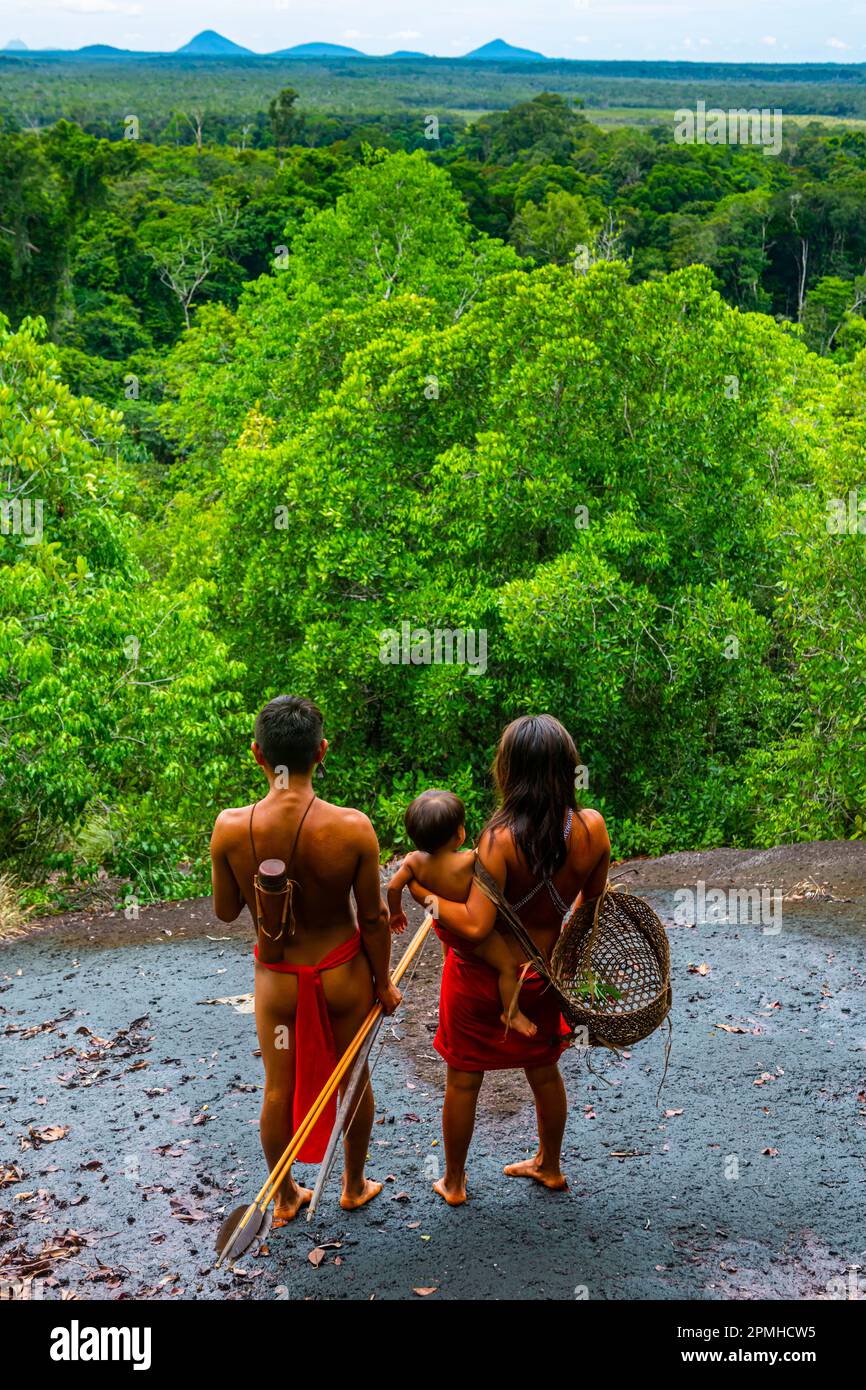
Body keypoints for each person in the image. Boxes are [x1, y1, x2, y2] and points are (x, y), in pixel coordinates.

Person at [210, 695, 401, 1224]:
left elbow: (226, 913)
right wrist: (383, 982)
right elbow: (374, 918)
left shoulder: (229, 827)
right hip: (343, 976)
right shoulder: (354, 827)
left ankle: (288, 1195)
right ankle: (354, 1183)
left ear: (257, 755)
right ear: (322, 751)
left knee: (278, 1087)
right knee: (355, 1078)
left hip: (278, 985)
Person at [408, 715, 610, 1207]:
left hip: (481, 977)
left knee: (463, 1076)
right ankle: (550, 1165)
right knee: (543, 1070)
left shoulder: (498, 839)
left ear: (509, 771)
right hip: (542, 976)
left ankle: (453, 1182)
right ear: (567, 768)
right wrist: (567, 959)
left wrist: (420, 893)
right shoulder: (592, 829)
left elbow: (476, 925)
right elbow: (591, 906)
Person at [387, 789, 537, 1038]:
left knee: (452, 943)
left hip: (446, 928)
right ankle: (510, 1013)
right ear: (459, 833)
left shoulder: (413, 861)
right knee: (508, 967)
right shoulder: (469, 860)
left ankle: (451, 962)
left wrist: (396, 913)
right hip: (474, 935)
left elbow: (393, 886)